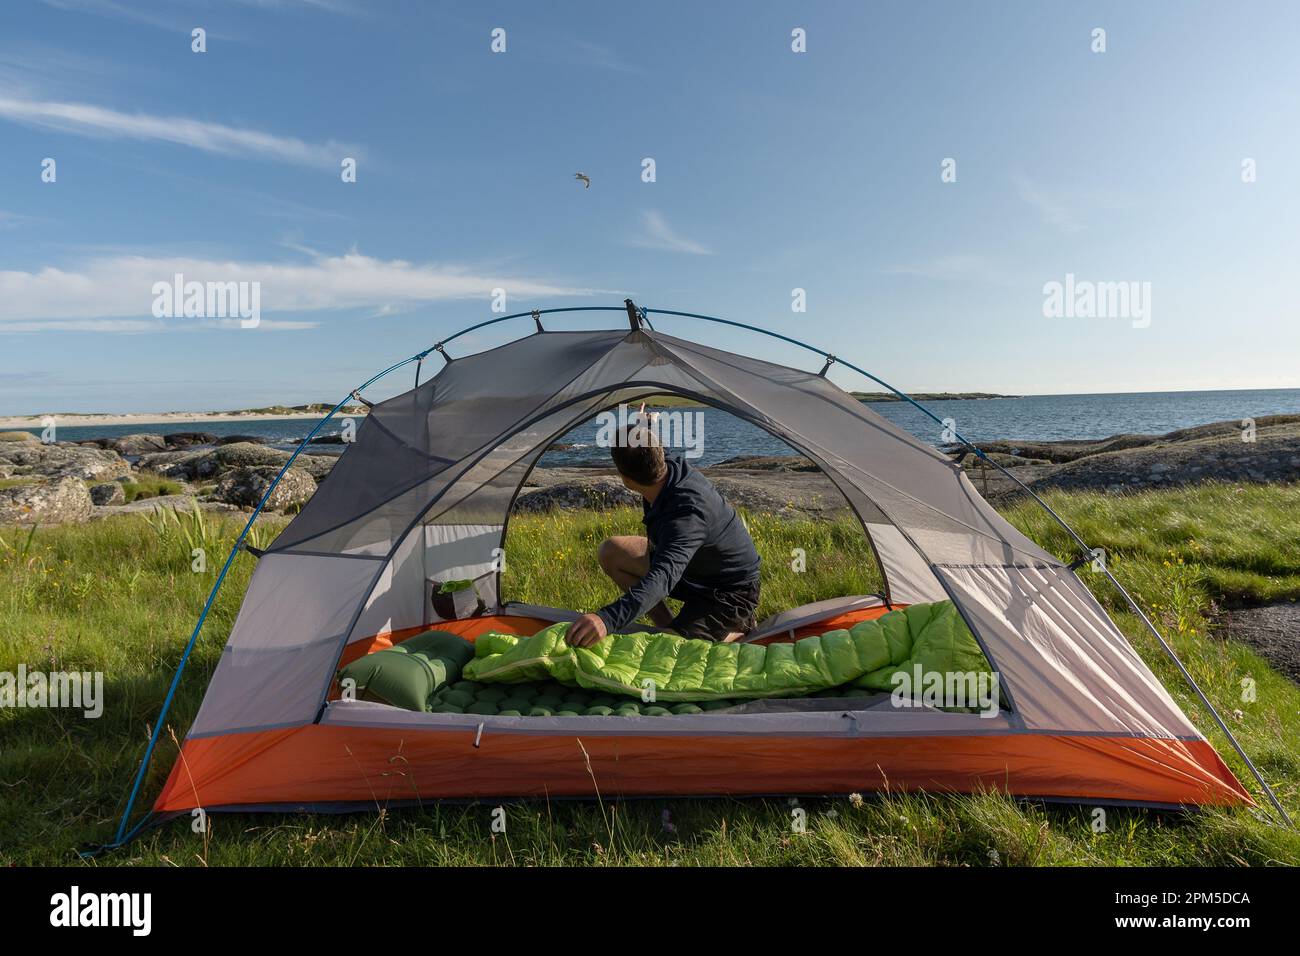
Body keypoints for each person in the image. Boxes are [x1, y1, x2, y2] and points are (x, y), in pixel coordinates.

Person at [565, 416, 762, 647]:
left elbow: (662, 578)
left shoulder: (687, 517)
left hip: (729, 593)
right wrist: (644, 425)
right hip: (692, 570)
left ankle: (736, 629)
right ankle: (669, 626)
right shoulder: (666, 465)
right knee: (611, 552)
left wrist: (606, 620)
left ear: (626, 480)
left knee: (668, 648)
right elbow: (648, 448)